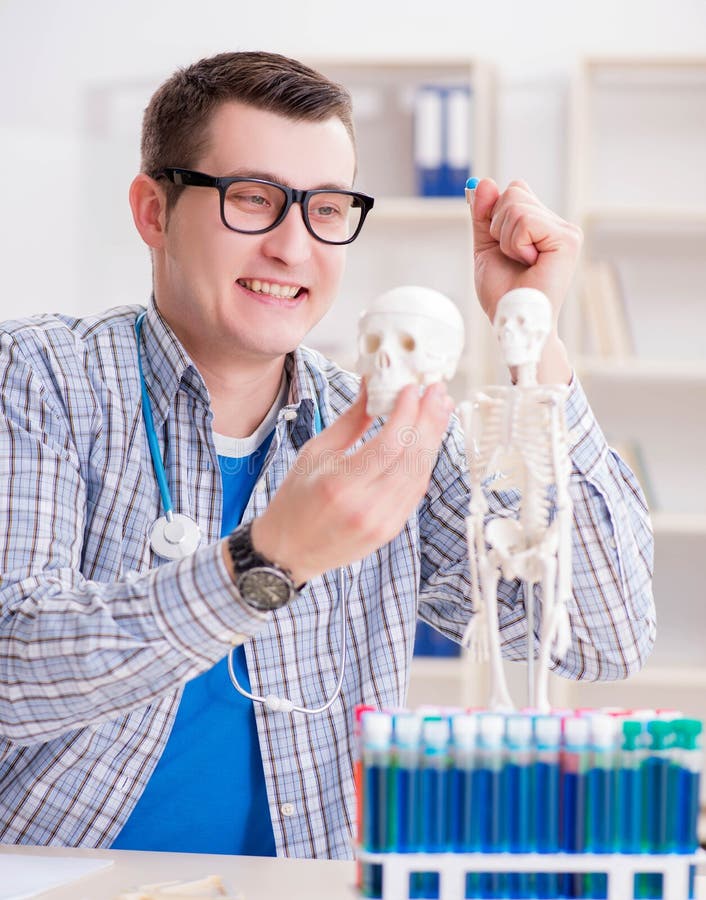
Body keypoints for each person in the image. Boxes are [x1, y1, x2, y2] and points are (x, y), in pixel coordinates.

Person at [0, 50, 654, 859]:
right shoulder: (37, 381)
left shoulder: (387, 422)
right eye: (253, 199)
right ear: (153, 212)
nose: (293, 247)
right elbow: (11, 666)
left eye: (328, 208)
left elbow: (603, 636)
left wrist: (532, 333)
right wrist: (266, 561)